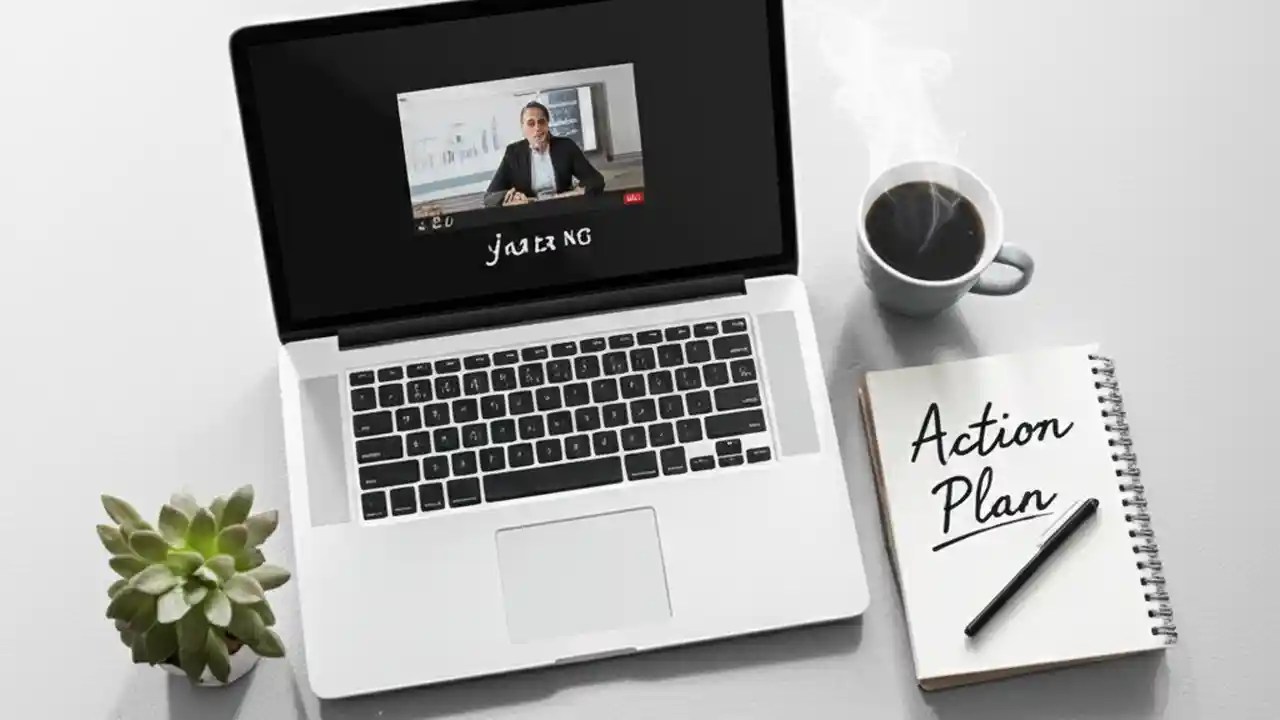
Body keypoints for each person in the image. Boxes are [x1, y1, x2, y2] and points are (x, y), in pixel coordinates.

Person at [484, 101, 606, 207]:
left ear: (547, 125)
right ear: (523, 128)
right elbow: (489, 197)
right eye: (531, 123)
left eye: (541, 122)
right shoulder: (513, 153)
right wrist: (510, 197)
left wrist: (575, 193)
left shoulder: (565, 147)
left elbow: (596, 181)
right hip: (530, 214)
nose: (537, 128)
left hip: (563, 209)